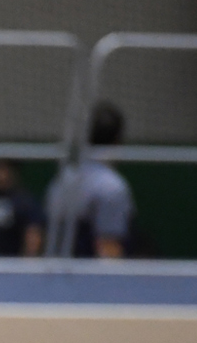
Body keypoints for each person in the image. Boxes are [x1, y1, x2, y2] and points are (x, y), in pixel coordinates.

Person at [47, 102, 136, 258]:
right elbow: (109, 250)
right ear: (117, 140)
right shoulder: (112, 187)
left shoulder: (62, 180)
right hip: (90, 278)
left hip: (61, 275)